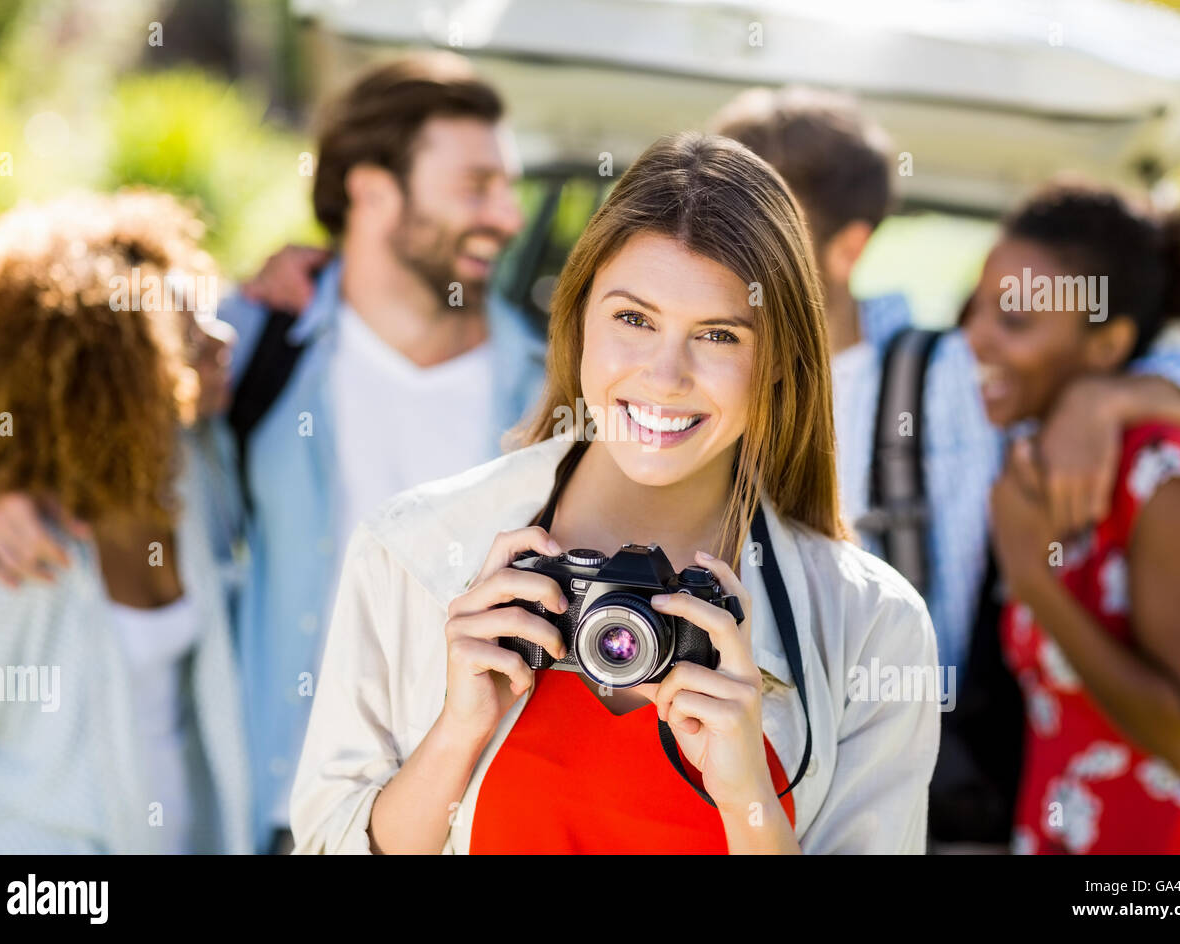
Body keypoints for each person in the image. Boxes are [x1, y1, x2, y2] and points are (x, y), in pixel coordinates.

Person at [0, 51, 546, 854]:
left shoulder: (551, 388)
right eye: (477, 185)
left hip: (478, 813)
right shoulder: (257, 347)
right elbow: (49, 374)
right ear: (374, 189)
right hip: (284, 814)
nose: (510, 216)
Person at [290, 131, 941, 855]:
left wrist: (748, 799)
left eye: (719, 335)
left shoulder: (875, 627)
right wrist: (456, 736)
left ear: (782, 361)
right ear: (577, 320)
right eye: (633, 319)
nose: (665, 377)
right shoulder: (409, 551)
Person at [709, 86, 1180, 848]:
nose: (716, 250)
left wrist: (1108, 398)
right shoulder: (685, 381)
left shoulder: (949, 378)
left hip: (930, 804)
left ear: (846, 250)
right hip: (732, 787)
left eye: (754, 230)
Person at [964, 182, 1180, 854]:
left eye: (1013, 321)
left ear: (1106, 346)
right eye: (977, 308)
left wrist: (1037, 584)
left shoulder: (1161, 476)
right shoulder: (1034, 461)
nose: (974, 338)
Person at [0, 191, 252, 853]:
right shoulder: (7, 550)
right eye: (190, 333)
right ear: (115, 374)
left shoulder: (190, 462)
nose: (223, 338)